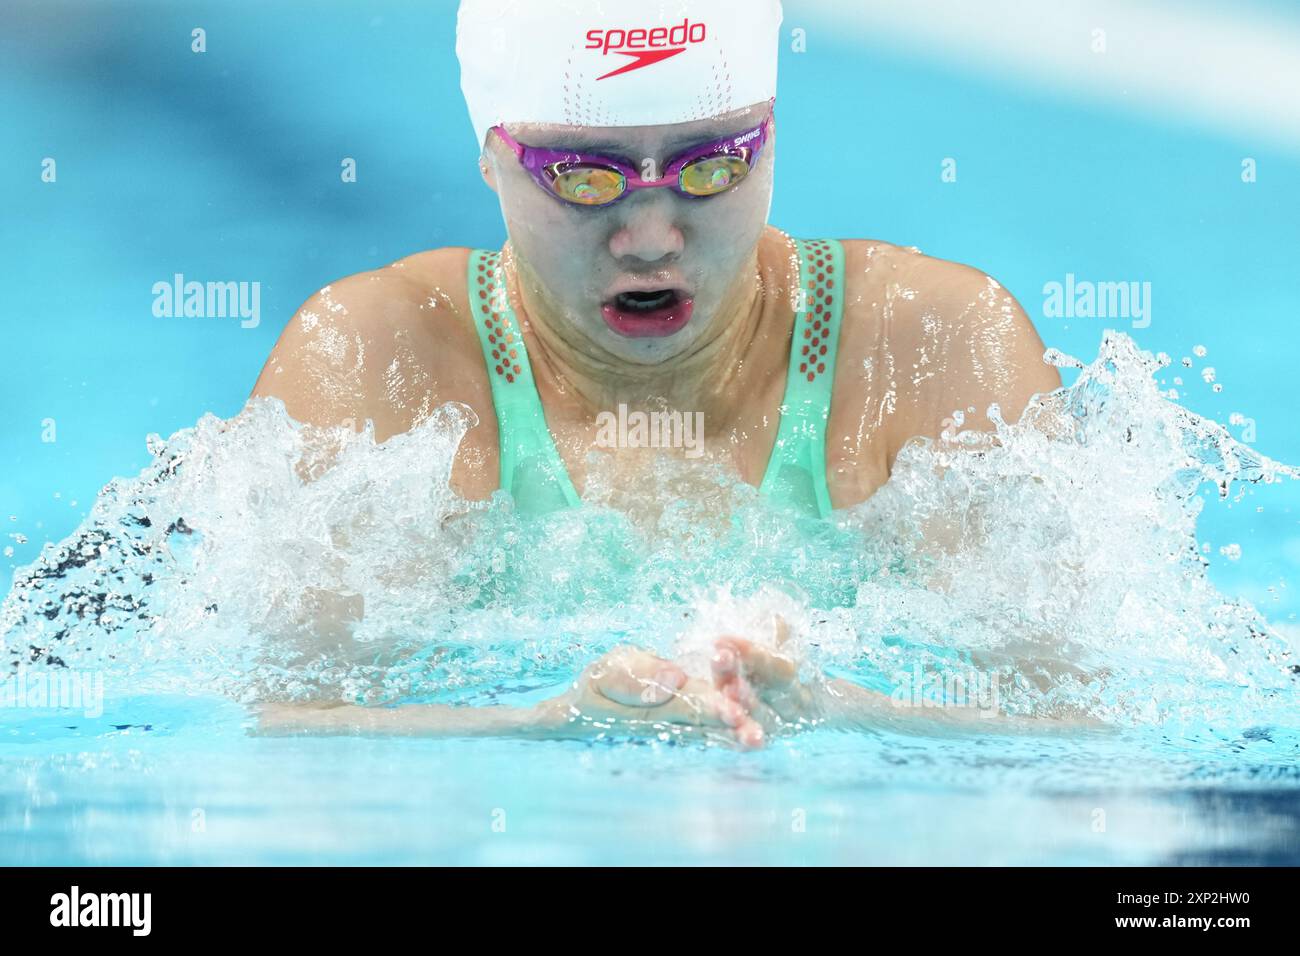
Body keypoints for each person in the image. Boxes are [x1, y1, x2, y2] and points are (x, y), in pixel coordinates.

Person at [252, 0, 1064, 747]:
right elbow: (280, 732)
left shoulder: (933, 349)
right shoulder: (377, 361)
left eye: (711, 166)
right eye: (582, 176)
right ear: (492, 159)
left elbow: (1082, 734)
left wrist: (840, 711)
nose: (648, 237)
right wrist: (544, 725)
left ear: (771, 141)